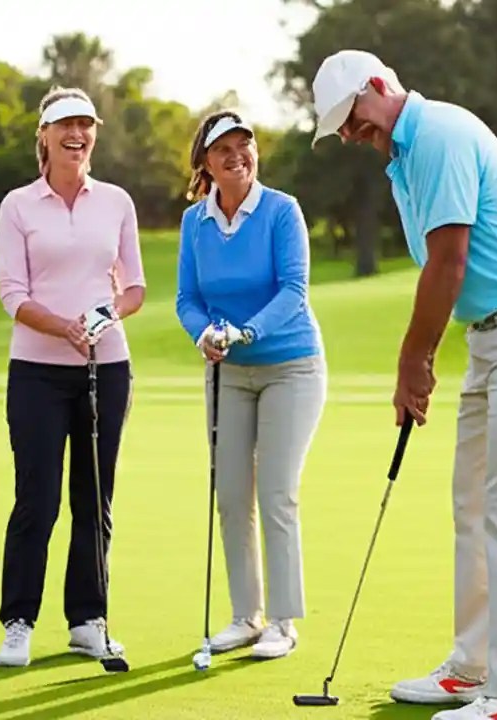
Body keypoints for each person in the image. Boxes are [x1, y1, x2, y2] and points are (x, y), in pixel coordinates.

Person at [309, 50, 497, 720]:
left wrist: (415, 358)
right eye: (342, 127)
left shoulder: (436, 133)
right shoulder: (404, 161)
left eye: (352, 116)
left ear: (379, 86)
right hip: (492, 336)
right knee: (473, 503)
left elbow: (449, 259)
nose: (350, 134)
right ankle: (475, 666)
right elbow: (444, 264)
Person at [0, 86, 147, 668]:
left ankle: (88, 620)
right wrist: (63, 328)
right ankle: (18, 622)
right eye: (65, 125)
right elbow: (13, 294)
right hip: (36, 372)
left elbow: (134, 288)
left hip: (106, 369)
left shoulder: (116, 201)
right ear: (45, 135)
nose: (76, 134)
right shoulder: (18, 205)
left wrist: (102, 318)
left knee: (94, 497)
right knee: (36, 499)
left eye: (85, 125)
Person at [174, 110, 328, 660]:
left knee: (276, 491)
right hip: (228, 372)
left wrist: (246, 331)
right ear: (206, 162)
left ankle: (283, 621)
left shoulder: (282, 211)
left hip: (292, 366)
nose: (237, 155)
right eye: (224, 148)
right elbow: (187, 298)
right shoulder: (195, 223)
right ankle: (246, 617)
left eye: (246, 145)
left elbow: (294, 290)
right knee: (233, 495)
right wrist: (203, 334)